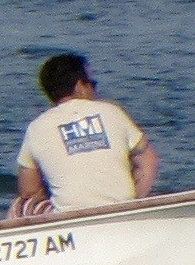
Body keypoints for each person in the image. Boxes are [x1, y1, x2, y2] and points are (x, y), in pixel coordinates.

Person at [13, 53, 159, 215]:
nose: (95, 90)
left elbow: (29, 191)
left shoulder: (37, 127)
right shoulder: (112, 112)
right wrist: (134, 203)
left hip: (70, 218)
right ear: (79, 87)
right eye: (92, 84)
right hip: (122, 211)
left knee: (21, 206)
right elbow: (149, 160)